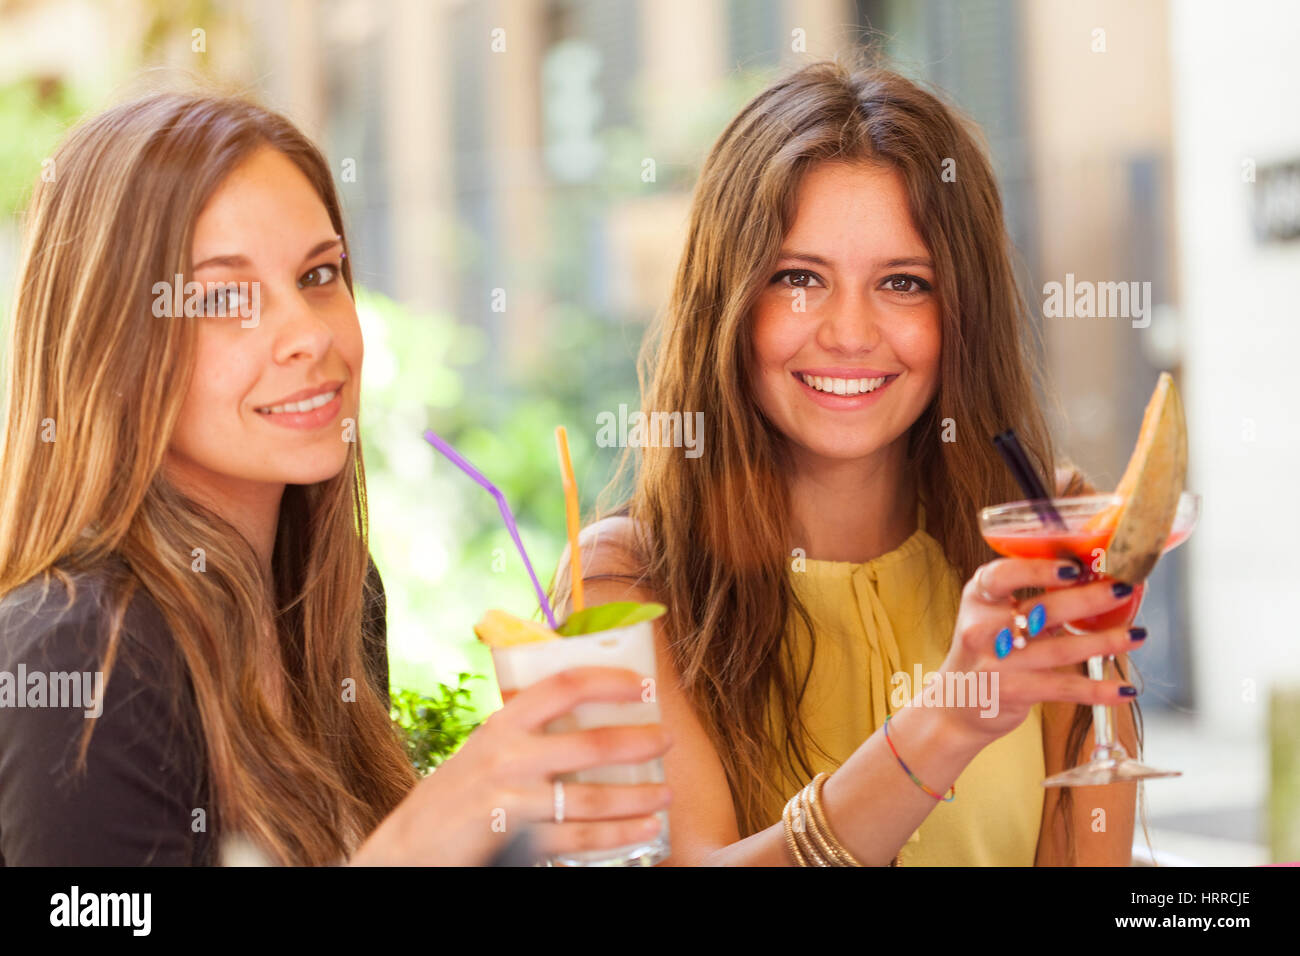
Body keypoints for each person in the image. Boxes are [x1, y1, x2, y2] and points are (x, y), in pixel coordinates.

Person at [0, 89, 670, 866]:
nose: (309, 335)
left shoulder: (336, 598)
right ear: (109, 344)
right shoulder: (75, 652)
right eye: (225, 297)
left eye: (319, 275)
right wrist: (430, 831)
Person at [554, 56, 1148, 866]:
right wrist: (945, 721)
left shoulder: (1047, 533)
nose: (849, 332)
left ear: (960, 312)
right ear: (726, 302)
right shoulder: (622, 585)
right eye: (798, 278)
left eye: (904, 283)